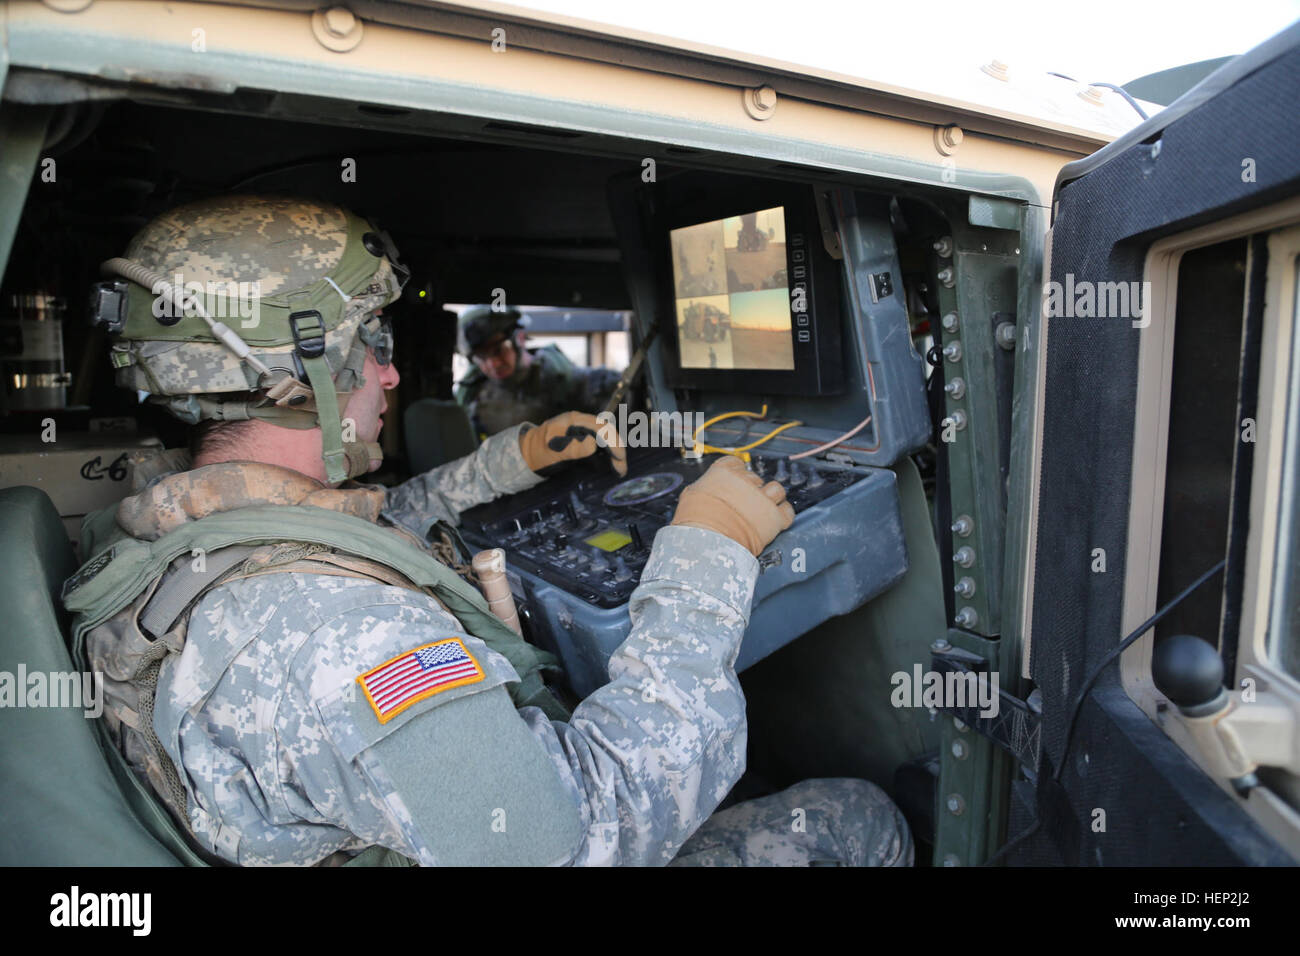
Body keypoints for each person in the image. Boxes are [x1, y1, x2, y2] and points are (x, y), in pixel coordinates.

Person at [69, 195, 912, 867]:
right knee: (861, 818)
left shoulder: (177, 523)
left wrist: (516, 458)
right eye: (374, 341)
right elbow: (587, 837)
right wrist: (707, 555)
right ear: (303, 370)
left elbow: (367, 530)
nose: (393, 369)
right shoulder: (344, 638)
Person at [454, 305, 622, 437]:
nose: (492, 364)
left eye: (498, 350)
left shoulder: (567, 383)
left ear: (519, 338)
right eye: (480, 357)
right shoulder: (470, 394)